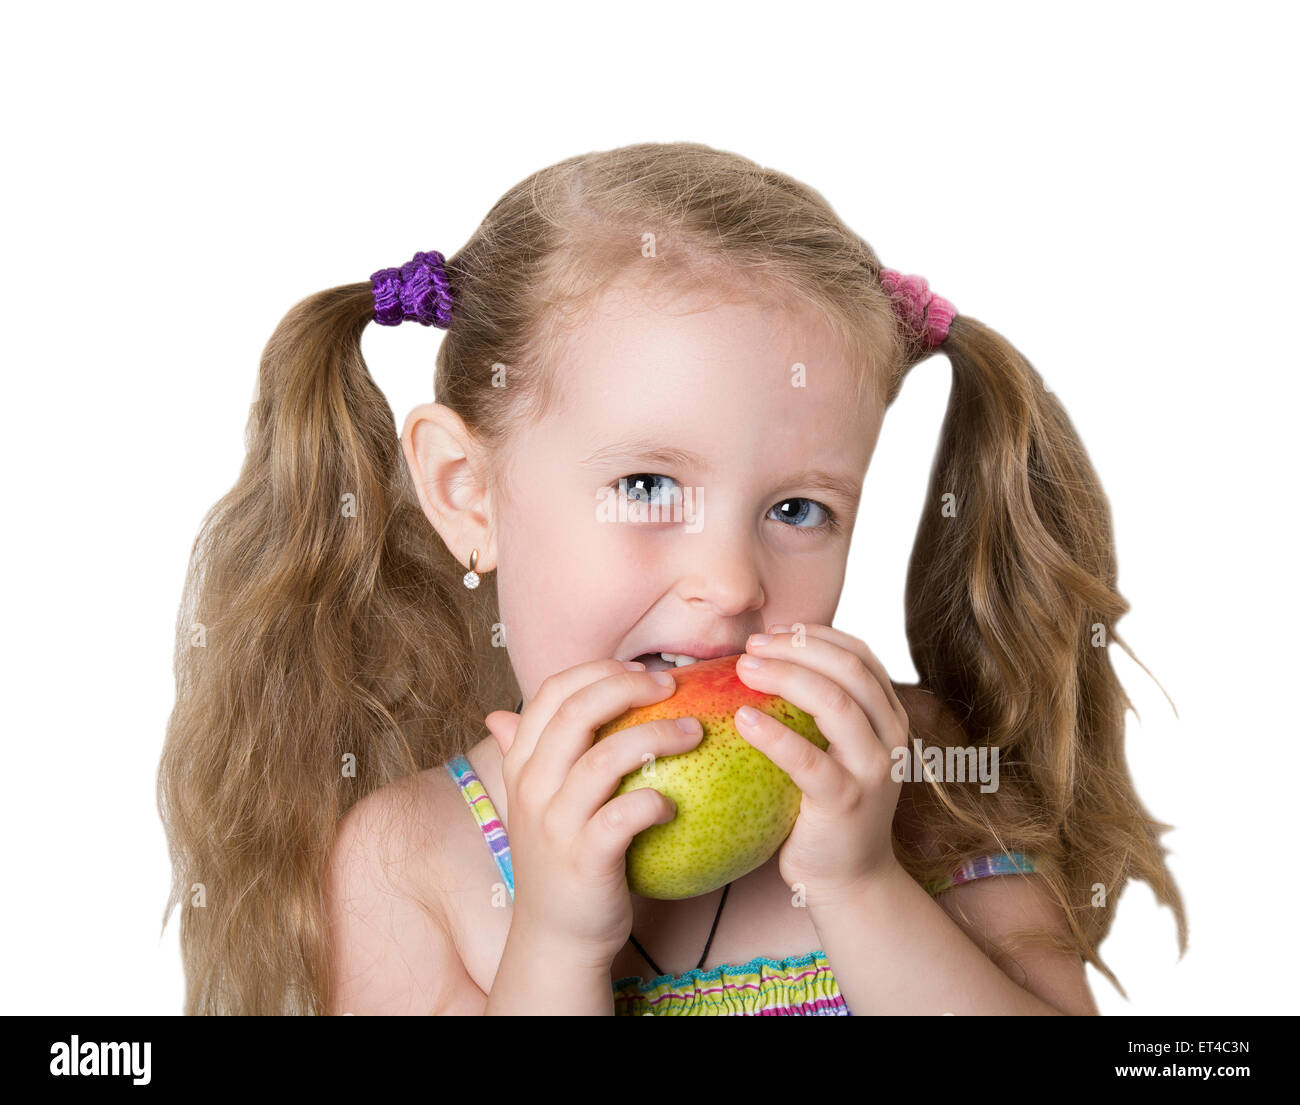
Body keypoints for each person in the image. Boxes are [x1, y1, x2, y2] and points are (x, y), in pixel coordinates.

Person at [157, 142, 1187, 1015]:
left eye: (797, 510)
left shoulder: (912, 774)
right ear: (469, 492)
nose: (731, 581)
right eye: (648, 483)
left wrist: (860, 883)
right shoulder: (418, 860)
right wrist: (556, 941)